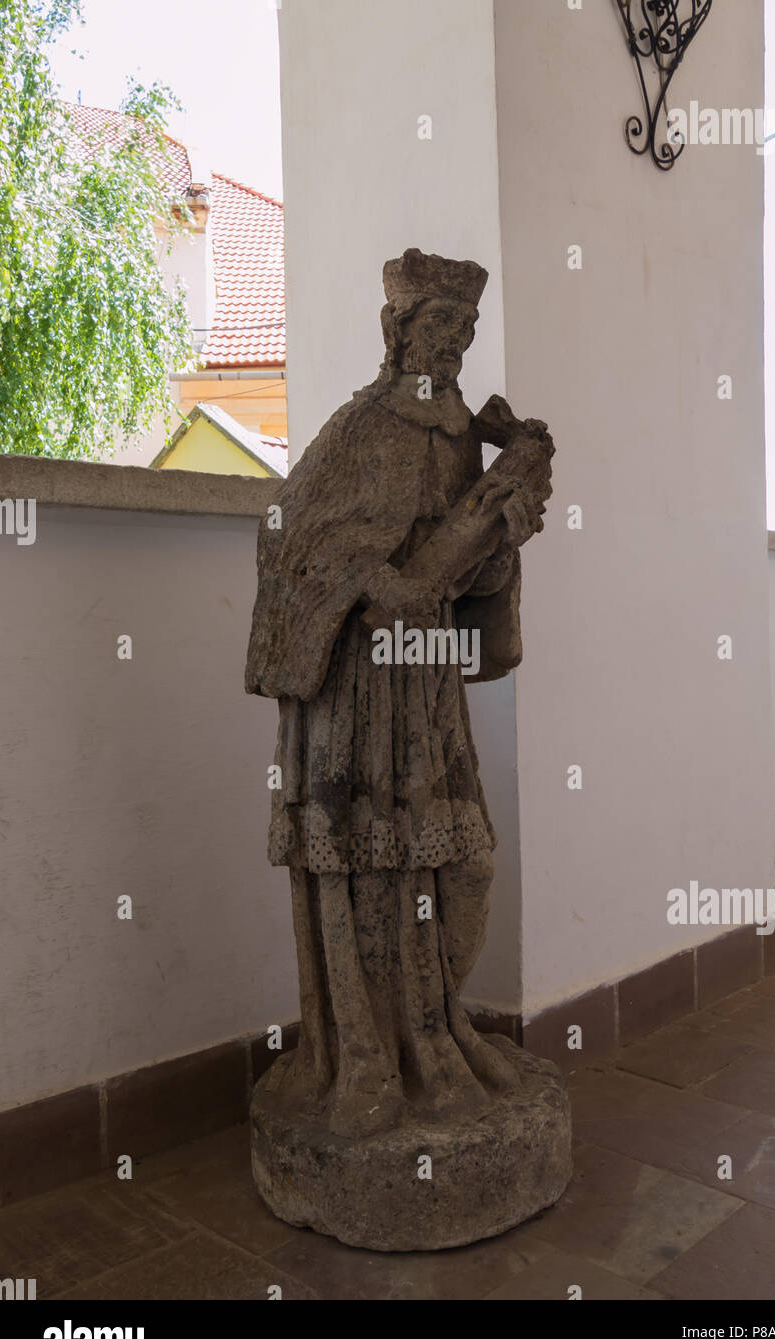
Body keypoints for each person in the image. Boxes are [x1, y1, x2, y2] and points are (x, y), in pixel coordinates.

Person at [246, 249, 552, 1139]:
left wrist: (503, 530)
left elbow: (470, 574)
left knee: (463, 864)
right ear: (399, 331)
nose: (453, 343)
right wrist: (378, 586)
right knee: (369, 865)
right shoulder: (360, 427)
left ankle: (432, 1033)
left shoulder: (461, 434)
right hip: (353, 690)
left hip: (422, 687)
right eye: (439, 326)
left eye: (465, 329)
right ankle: (370, 1061)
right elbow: (287, 543)